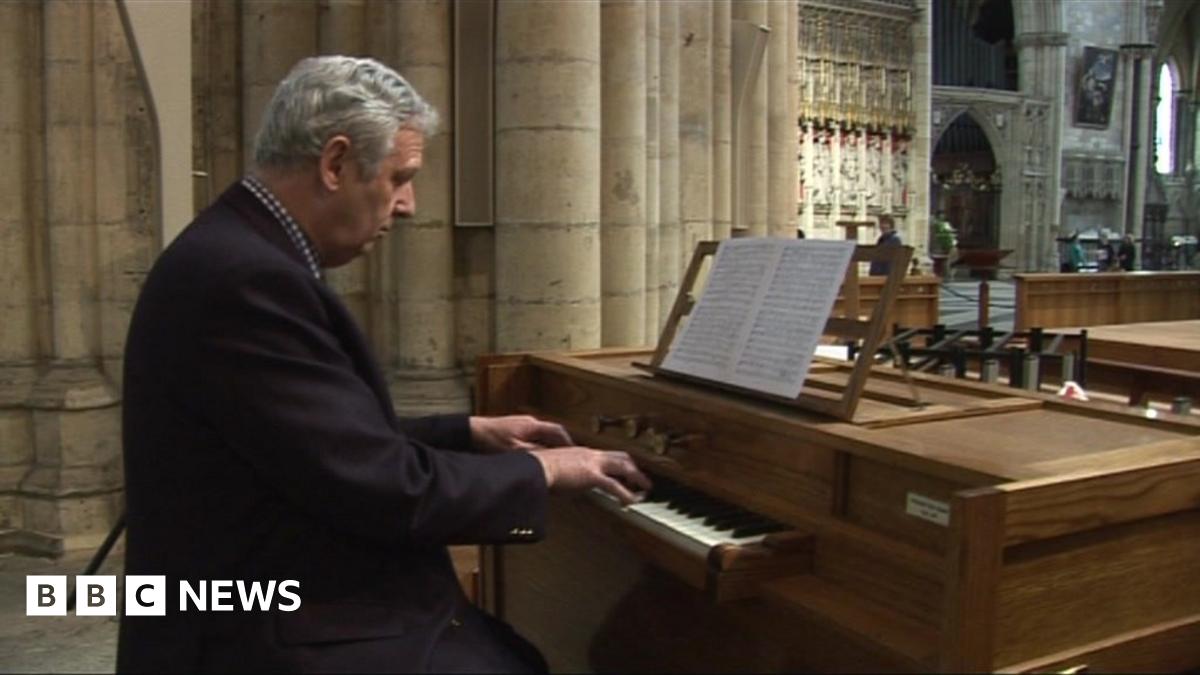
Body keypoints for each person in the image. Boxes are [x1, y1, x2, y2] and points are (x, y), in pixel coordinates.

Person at [118, 55, 650, 673]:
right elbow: (385, 490)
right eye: (400, 176)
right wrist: (547, 472)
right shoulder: (248, 279)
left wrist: (467, 433)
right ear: (336, 164)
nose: (408, 204)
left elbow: (312, 443)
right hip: (254, 626)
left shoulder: (241, 249)